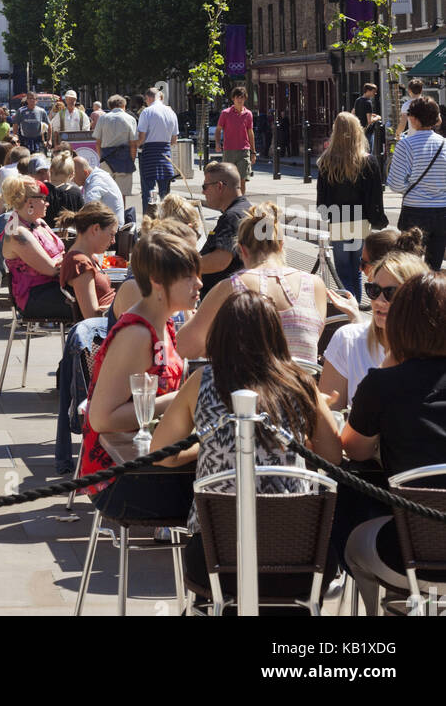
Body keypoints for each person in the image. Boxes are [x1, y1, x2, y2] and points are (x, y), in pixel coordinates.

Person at [155, 290, 342, 595]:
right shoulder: (301, 383)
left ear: (220, 334)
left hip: (218, 564)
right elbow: (332, 456)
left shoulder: (201, 381)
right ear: (275, 335)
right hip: (298, 562)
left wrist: (213, 443)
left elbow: (161, 454)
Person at [79, 229, 201, 522]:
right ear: (158, 282)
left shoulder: (164, 323)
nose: (199, 283)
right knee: (231, 494)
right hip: (122, 480)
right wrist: (181, 399)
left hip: (149, 463)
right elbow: (102, 418)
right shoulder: (136, 334)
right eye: (188, 276)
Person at [342, 271, 446, 614]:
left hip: (405, 553)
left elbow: (354, 448)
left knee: (349, 529)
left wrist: (390, 363)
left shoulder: (383, 385)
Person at [176, 204, 327, 366]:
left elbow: (184, 348)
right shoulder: (315, 285)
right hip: (302, 387)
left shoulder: (232, 286)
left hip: (249, 388)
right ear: (281, 245)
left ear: (242, 250)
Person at [319, 249, 429, 409]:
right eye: (374, 290)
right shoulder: (348, 340)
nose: (379, 300)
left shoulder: (433, 351)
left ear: (416, 298)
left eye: (391, 293)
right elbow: (330, 415)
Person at [316, 111, 388, 299]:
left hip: (338, 218)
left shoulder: (327, 161)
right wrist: (378, 217)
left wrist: (325, 214)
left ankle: (349, 305)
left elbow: (321, 197)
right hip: (361, 219)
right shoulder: (368, 160)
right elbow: (375, 195)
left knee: (342, 270)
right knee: (357, 267)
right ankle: (355, 302)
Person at [387, 94, 446, 270]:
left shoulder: (406, 145)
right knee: (434, 267)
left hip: (415, 211)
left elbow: (396, 183)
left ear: (413, 119)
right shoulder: (444, 144)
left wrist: (412, 188)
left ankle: (412, 296)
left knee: (409, 265)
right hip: (442, 211)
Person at [1, 174, 71, 321]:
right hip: (35, 296)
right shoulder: (17, 232)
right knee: (89, 301)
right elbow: (52, 269)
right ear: (30, 202)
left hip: (55, 288)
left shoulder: (39, 222)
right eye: (43, 199)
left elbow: (61, 256)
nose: (47, 203)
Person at [197, 161, 251, 296]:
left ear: (219, 186)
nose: (203, 192)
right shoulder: (246, 209)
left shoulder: (232, 217)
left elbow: (219, 261)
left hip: (222, 301)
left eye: (205, 186)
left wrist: (181, 265)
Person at [58, 202, 118, 319]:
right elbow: (91, 316)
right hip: (109, 327)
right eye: (111, 234)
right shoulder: (80, 262)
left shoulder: (88, 258)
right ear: (95, 229)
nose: (113, 241)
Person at [136, 89, 179, 211]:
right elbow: (174, 140)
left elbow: (142, 137)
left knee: (149, 190)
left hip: (149, 154)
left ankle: (150, 218)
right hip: (165, 154)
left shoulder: (147, 112)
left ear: (148, 98)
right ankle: (164, 218)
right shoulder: (171, 113)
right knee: (164, 192)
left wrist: (135, 146)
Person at [94, 95, 138, 202]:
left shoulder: (103, 118)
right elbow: (133, 144)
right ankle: (121, 215)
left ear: (110, 106)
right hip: (124, 159)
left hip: (106, 158)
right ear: (124, 105)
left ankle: (108, 216)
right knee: (121, 194)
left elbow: (98, 142)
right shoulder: (130, 119)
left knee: (107, 192)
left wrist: (101, 157)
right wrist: (132, 159)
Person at [214, 87, 257, 183]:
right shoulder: (225, 113)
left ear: (245, 99)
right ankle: (230, 198)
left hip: (244, 151)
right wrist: (217, 143)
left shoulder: (248, 114)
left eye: (242, 97)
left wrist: (253, 152)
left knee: (242, 180)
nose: (240, 100)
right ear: (233, 98)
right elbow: (218, 130)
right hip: (229, 151)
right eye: (237, 97)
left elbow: (250, 133)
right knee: (228, 180)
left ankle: (240, 198)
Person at [72, 155, 125, 226]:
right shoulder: (97, 176)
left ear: (85, 173)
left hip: (112, 229)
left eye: (74, 175)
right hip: (110, 225)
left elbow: (89, 206)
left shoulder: (97, 181)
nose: (72, 178)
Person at [46, 150, 84, 227]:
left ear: (50, 170)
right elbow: (82, 217)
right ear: (72, 174)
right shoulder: (75, 192)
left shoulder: (42, 189)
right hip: (70, 236)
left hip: (45, 236)